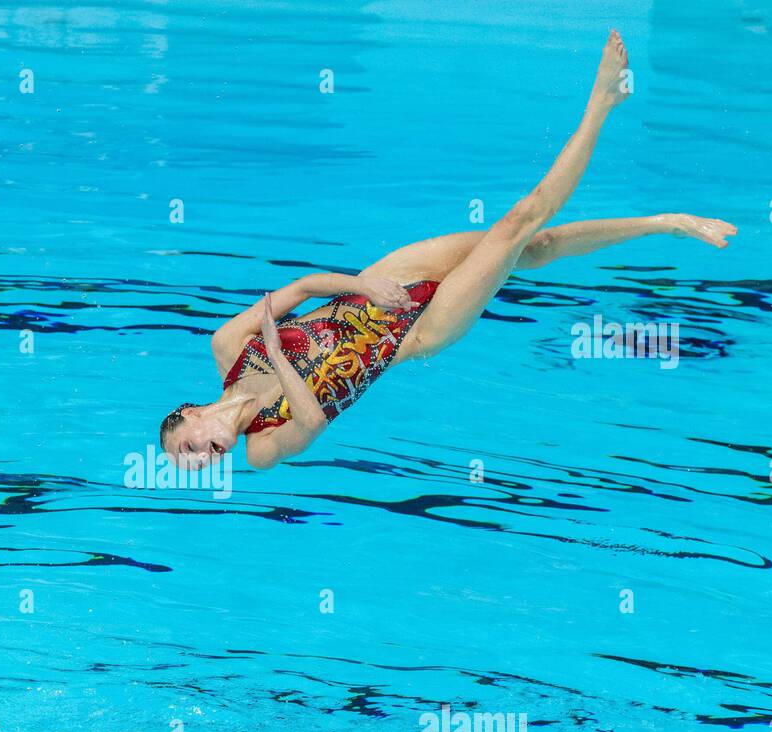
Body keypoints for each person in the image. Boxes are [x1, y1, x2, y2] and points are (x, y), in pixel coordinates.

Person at [159, 31, 736, 471]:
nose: (205, 459)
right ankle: (601, 104)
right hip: (418, 333)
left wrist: (362, 286)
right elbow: (311, 419)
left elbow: (304, 289)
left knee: (536, 247)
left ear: (188, 413)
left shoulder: (226, 346)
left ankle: (666, 221)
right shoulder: (259, 449)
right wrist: (276, 351)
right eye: (198, 465)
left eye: (189, 449)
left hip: (382, 282)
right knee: (515, 223)